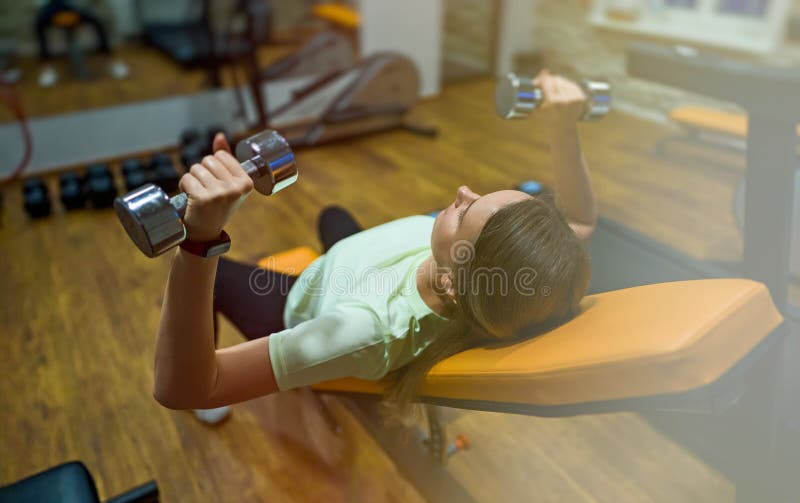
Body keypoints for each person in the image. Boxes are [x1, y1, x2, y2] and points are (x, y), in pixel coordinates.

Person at [152, 71, 595, 423]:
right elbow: (577, 222)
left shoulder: (363, 330)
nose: (463, 191)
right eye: (481, 196)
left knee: (217, 279)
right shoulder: (510, 268)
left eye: (467, 212)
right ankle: (337, 246)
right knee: (332, 214)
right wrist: (564, 130)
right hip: (363, 264)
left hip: (305, 300)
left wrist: (199, 240)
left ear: (454, 283)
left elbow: (187, 388)